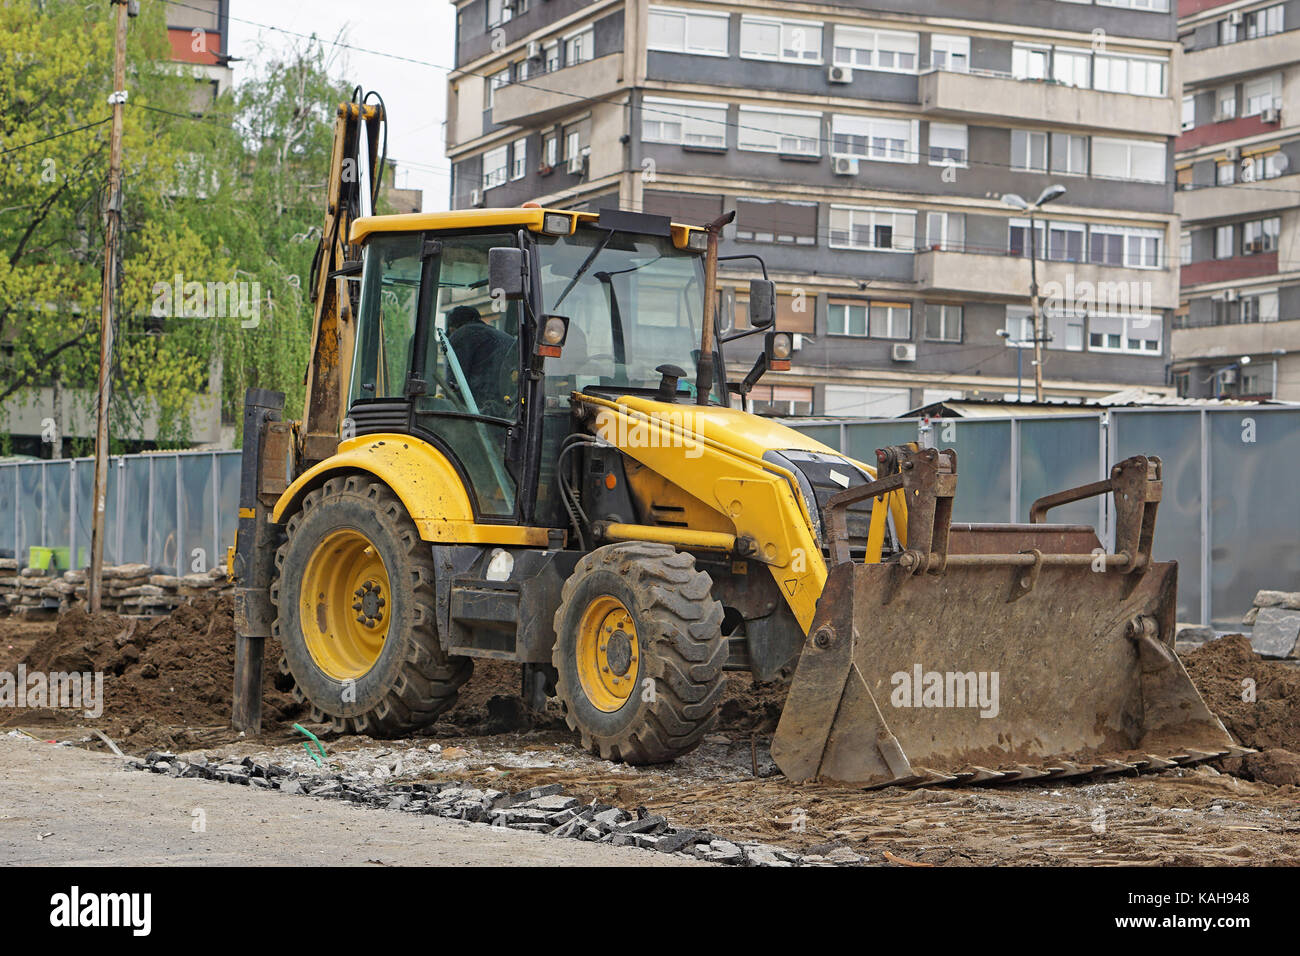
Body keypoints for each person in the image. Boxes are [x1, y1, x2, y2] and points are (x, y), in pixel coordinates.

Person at [445, 304, 515, 414]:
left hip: (479, 415)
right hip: (508, 412)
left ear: (452, 329)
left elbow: (453, 388)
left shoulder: (461, 335)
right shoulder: (507, 339)